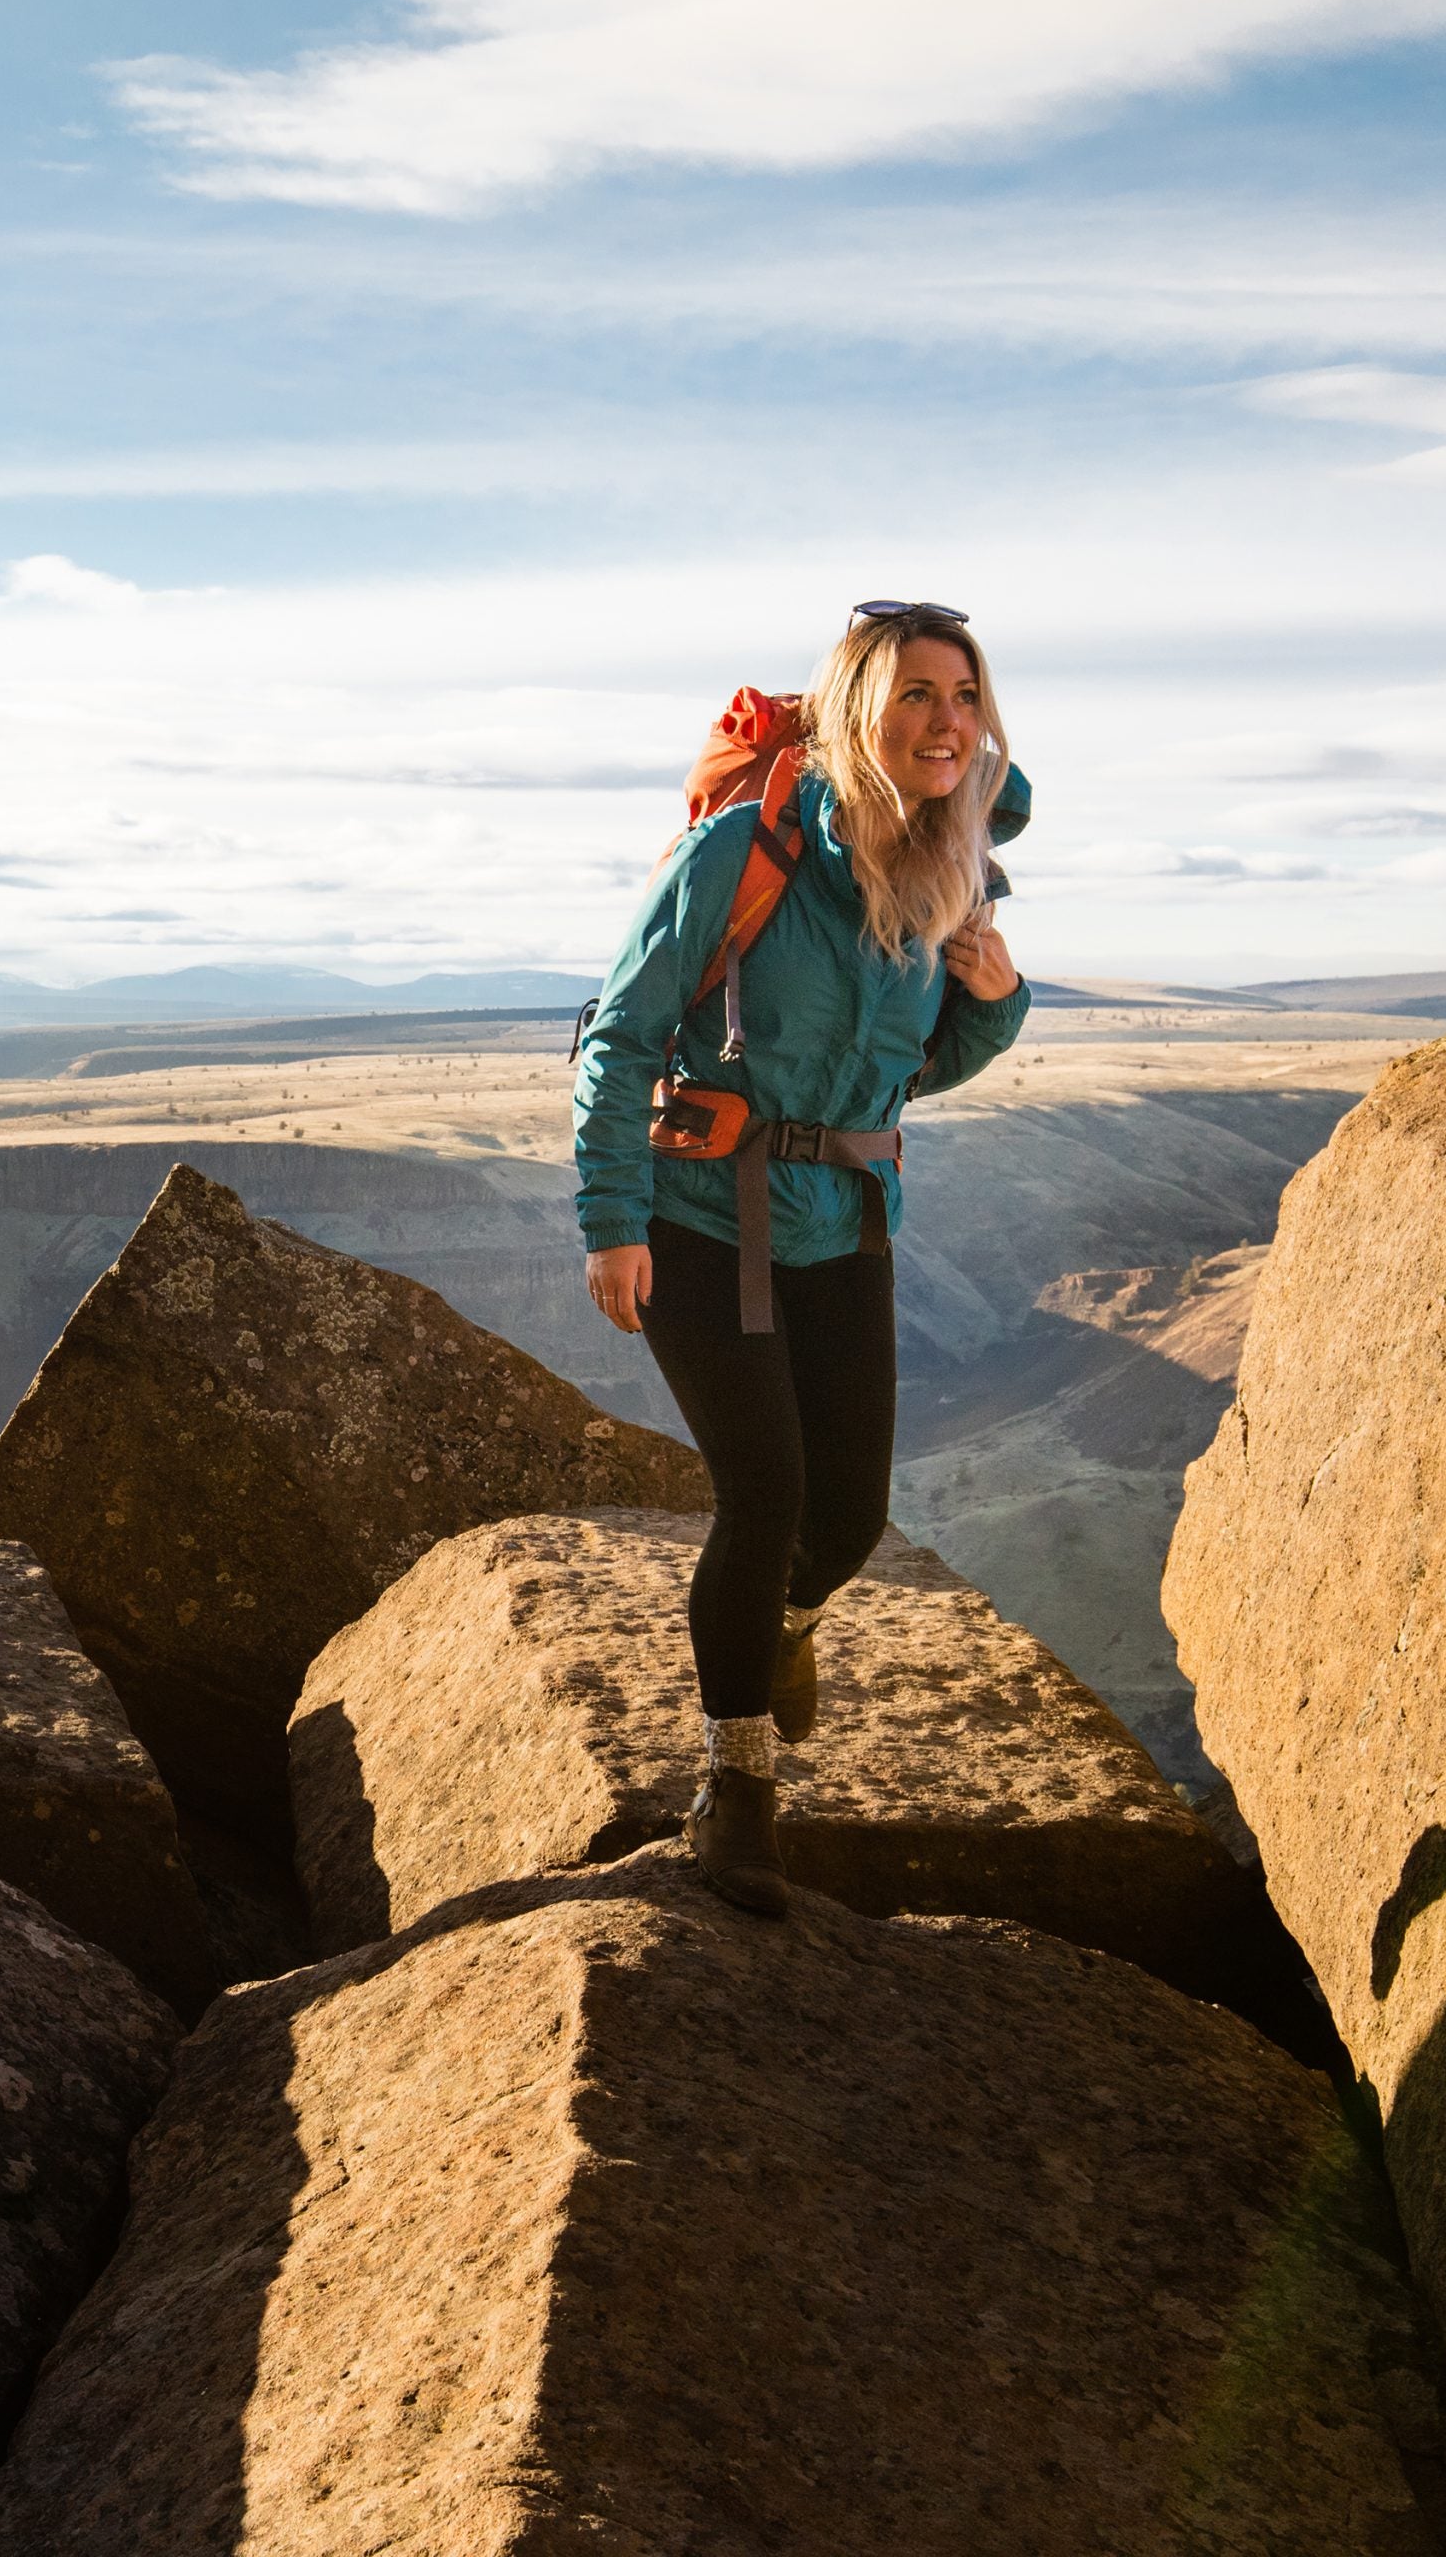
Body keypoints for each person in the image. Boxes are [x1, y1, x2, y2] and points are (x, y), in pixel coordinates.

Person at [574, 604, 1031, 1916]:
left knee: (851, 1520)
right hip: (698, 1216)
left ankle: (780, 1631)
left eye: (964, 694)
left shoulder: (952, 868)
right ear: (856, 712)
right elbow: (619, 1036)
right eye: (918, 694)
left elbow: (909, 1072)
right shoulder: (746, 848)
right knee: (766, 1496)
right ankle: (738, 1788)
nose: (947, 719)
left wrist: (998, 1007)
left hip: (843, 1221)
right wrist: (611, 1221)